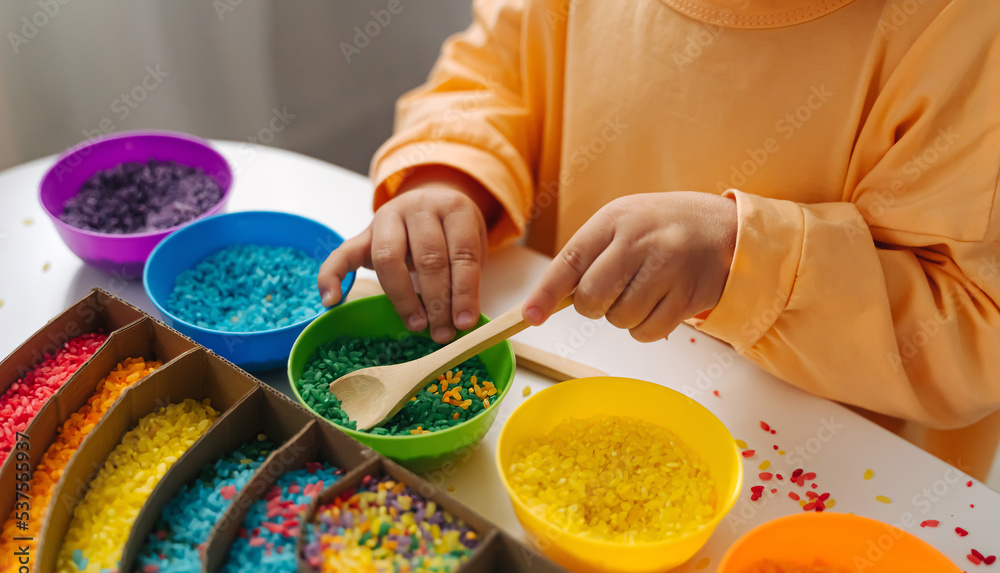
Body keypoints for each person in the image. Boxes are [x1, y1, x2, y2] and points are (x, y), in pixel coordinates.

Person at [318, 0, 1000, 479]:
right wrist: (448, 173)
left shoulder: (962, 32)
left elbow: (971, 326)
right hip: (566, 411)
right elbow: (493, 73)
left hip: (824, 479)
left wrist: (743, 259)